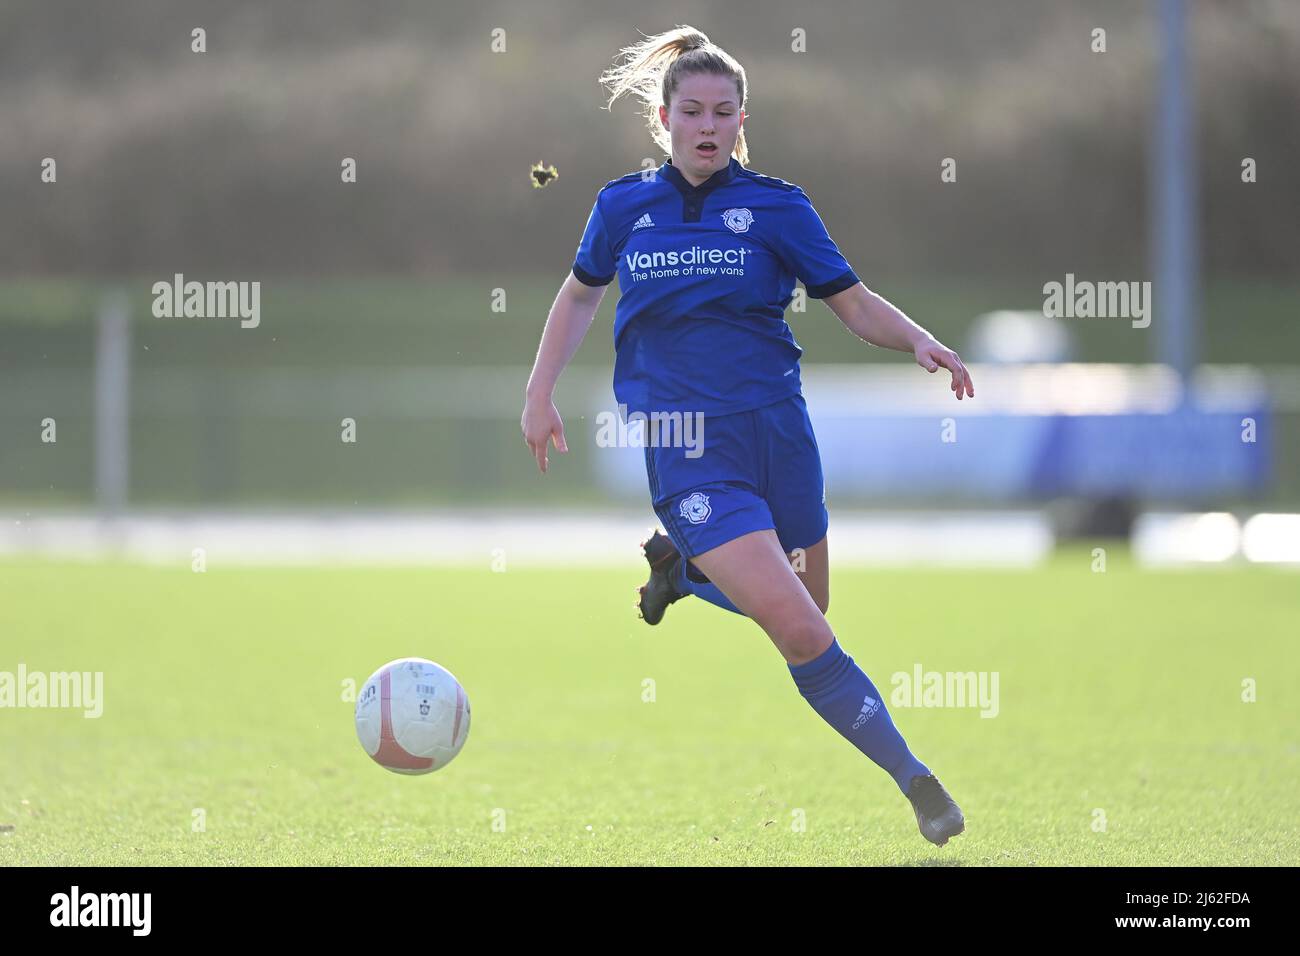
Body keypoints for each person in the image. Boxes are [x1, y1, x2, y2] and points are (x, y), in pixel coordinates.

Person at [521, 25, 974, 847]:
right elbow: (581, 296)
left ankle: (685, 572)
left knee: (814, 610)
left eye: (721, 112)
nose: (705, 124)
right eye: (689, 110)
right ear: (662, 119)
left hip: (779, 435)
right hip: (688, 445)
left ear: (740, 121)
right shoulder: (623, 206)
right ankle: (918, 781)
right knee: (802, 633)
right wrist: (539, 391)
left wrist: (917, 339)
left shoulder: (777, 207)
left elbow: (853, 300)